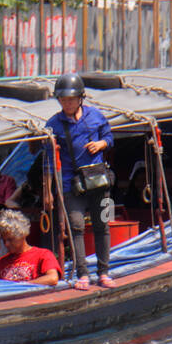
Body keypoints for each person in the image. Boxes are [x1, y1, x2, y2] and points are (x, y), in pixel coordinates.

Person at [43, 72, 116, 290]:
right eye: (63, 100)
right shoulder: (53, 124)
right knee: (76, 227)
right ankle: (82, 273)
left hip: (100, 182)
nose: (67, 103)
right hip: (70, 184)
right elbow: (47, 160)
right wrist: (48, 191)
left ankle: (104, 272)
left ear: (81, 98)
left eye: (71, 99)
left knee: (103, 225)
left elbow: (110, 138)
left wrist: (101, 144)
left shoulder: (96, 116)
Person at [0, 210, 61, 285]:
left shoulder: (43, 255)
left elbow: (52, 278)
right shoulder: (1, 262)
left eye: (10, 239)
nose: (6, 244)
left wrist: (22, 286)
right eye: (4, 240)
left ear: (22, 235)